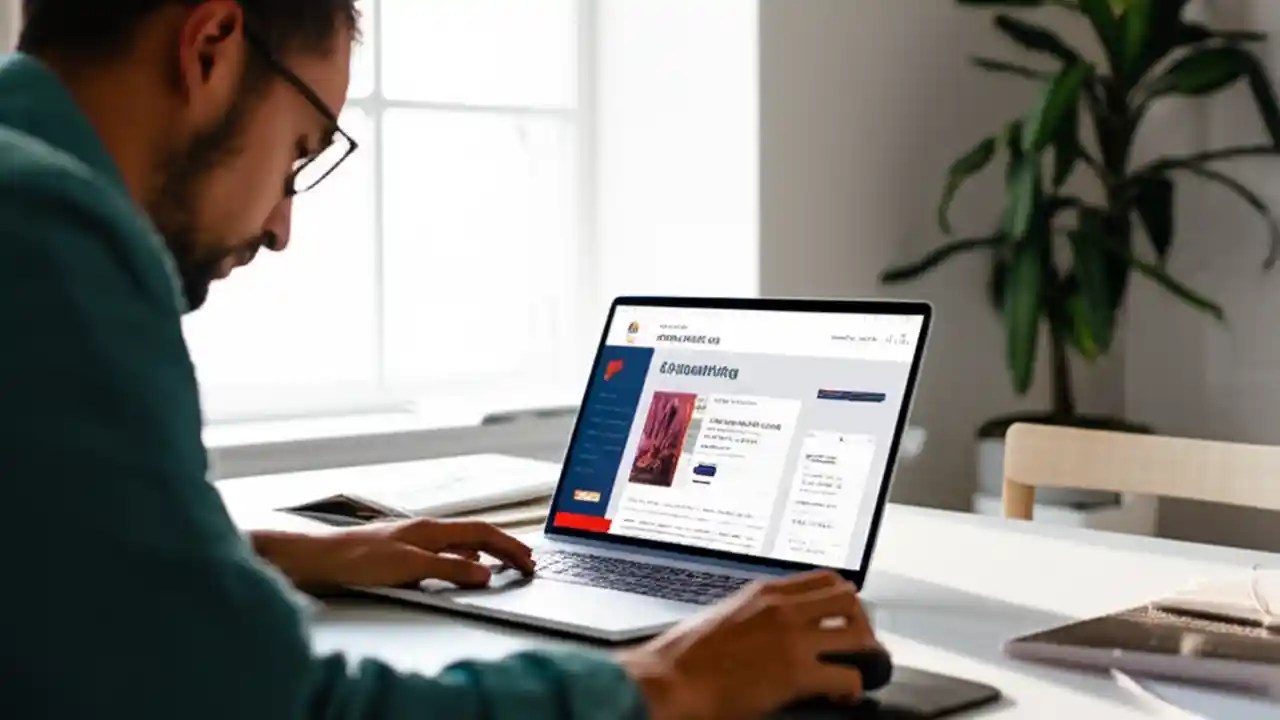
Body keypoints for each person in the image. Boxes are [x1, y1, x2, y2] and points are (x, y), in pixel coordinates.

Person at [0, 2, 884, 718]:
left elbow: (56, 560)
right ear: (211, 48)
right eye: (300, 152)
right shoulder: (46, 237)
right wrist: (673, 683)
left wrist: (285, 554)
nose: (279, 227)